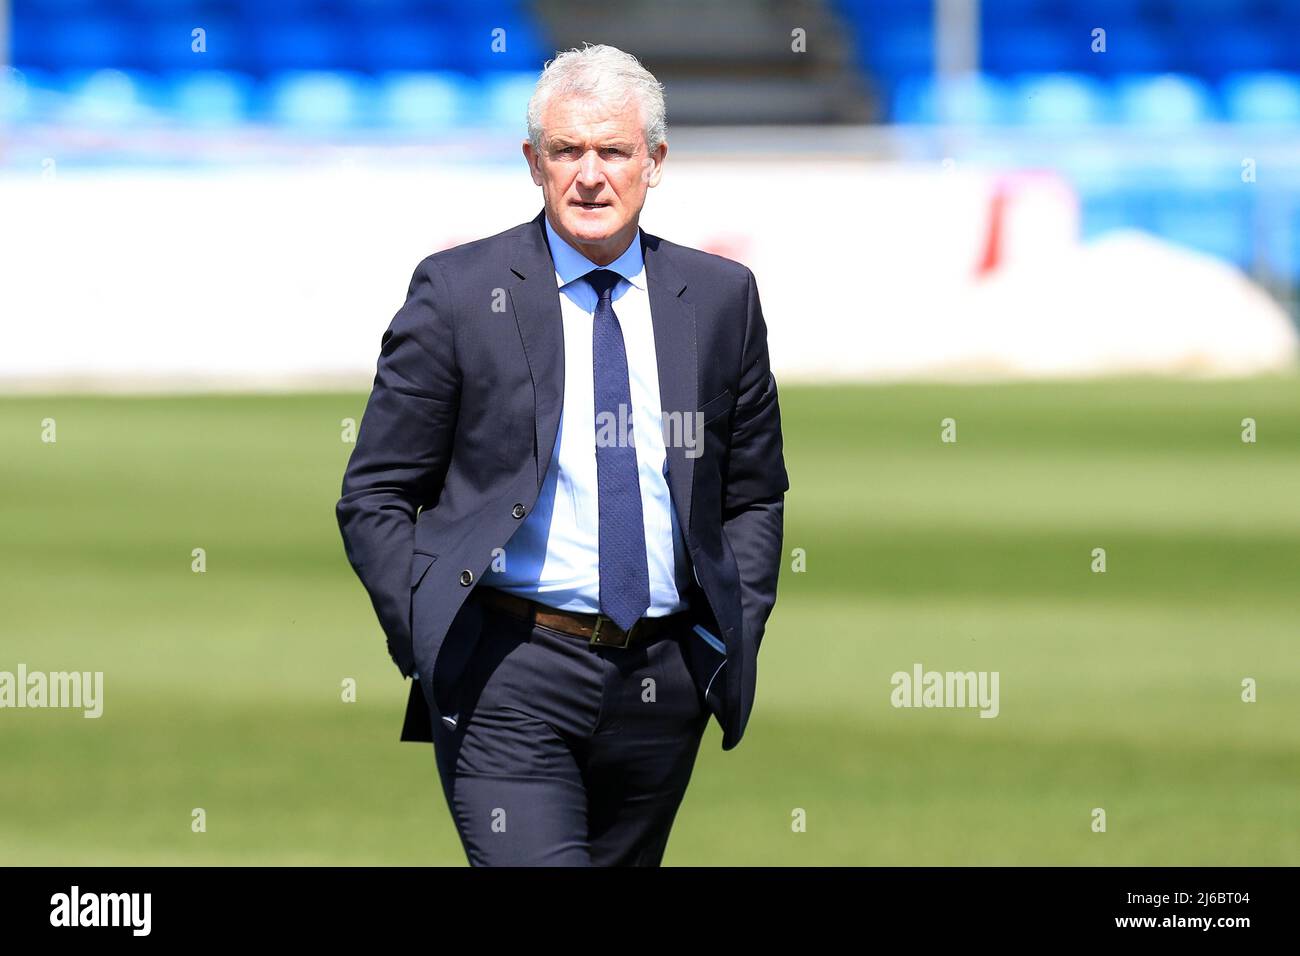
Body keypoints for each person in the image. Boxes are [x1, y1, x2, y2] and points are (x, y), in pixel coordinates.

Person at [336, 43, 788, 866]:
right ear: (532, 162)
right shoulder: (459, 294)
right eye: (566, 151)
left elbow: (753, 493)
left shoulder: (721, 300)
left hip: (664, 680)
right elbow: (375, 493)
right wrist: (429, 635)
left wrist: (728, 635)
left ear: (653, 162)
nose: (589, 174)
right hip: (507, 674)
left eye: (612, 151)